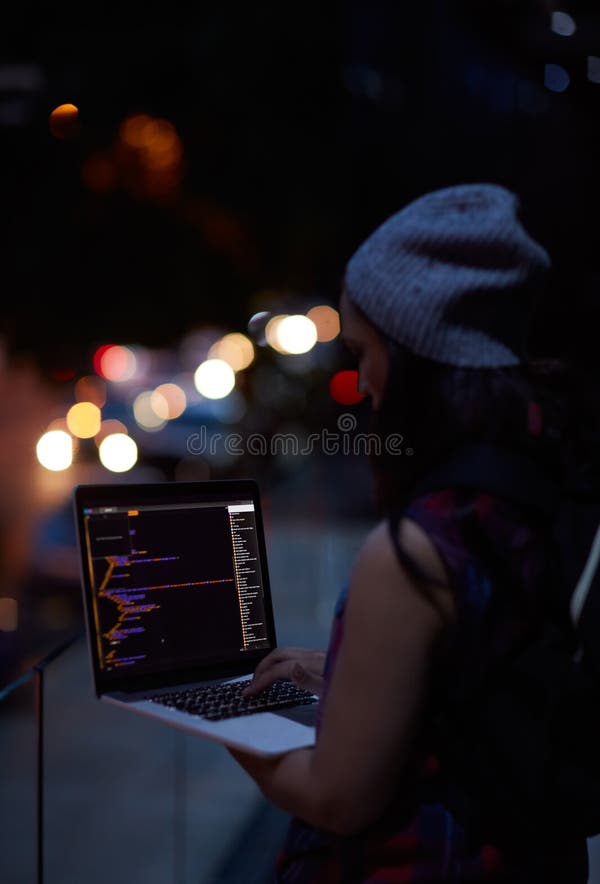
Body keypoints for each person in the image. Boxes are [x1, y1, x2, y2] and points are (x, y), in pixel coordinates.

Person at [226, 182, 592, 882]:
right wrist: (352, 676)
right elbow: (483, 686)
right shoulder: (545, 493)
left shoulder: (416, 552)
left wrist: (224, 726)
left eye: (364, 352)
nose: (360, 385)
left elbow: (337, 798)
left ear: (419, 356)